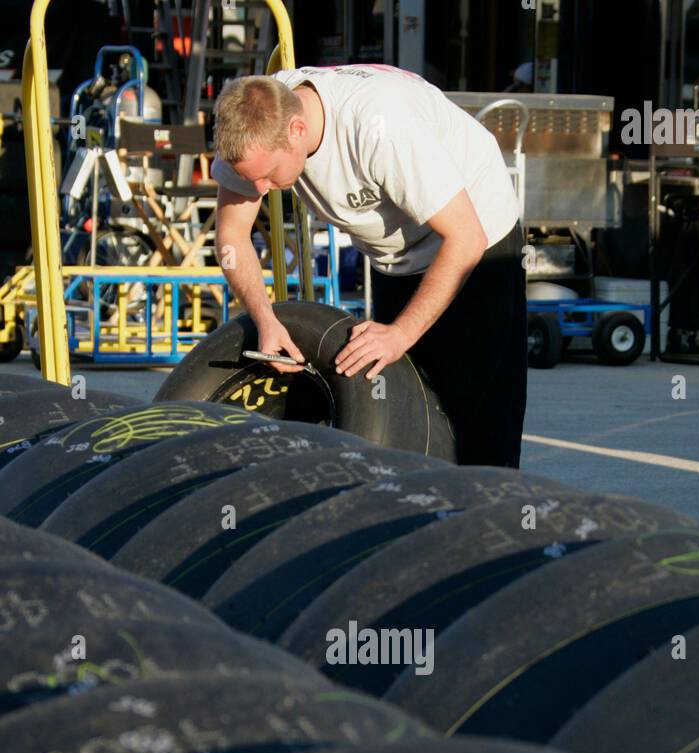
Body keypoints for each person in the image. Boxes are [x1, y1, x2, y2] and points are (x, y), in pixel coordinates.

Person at [211, 65, 527, 467]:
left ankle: (488, 518)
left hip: (479, 235)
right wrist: (265, 318)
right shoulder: (251, 123)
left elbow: (467, 239)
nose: (258, 190)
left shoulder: (379, 127)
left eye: (269, 176)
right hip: (397, 252)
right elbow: (233, 237)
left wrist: (400, 333)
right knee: (403, 403)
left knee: (470, 419)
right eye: (249, 178)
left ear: (296, 130)